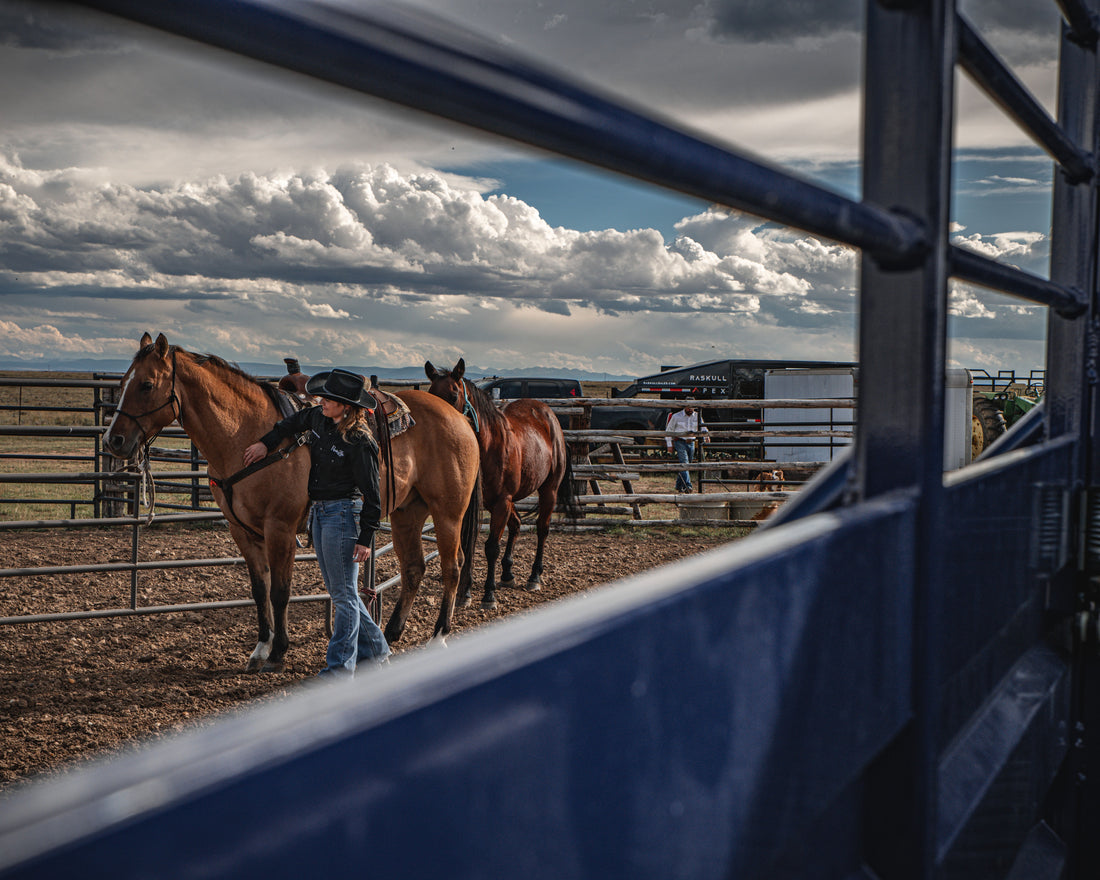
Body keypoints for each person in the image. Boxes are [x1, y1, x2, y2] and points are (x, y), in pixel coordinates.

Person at [243, 368, 390, 676]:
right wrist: (265, 443)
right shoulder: (318, 419)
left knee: (344, 596)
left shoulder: (360, 442)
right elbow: (289, 424)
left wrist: (365, 538)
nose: (321, 401)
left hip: (343, 515)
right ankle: (377, 652)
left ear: (345, 406)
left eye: (329, 399)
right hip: (321, 514)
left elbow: (373, 496)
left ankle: (339, 671)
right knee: (343, 592)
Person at [665, 403, 710, 493]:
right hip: (680, 441)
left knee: (687, 464)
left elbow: (703, 428)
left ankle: (679, 485)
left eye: (692, 407)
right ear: (685, 407)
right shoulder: (676, 416)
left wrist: (706, 436)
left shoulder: (697, 416)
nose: (690, 409)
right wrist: (669, 444)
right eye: (688, 407)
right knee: (685, 463)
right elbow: (669, 430)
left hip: (691, 442)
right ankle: (688, 486)